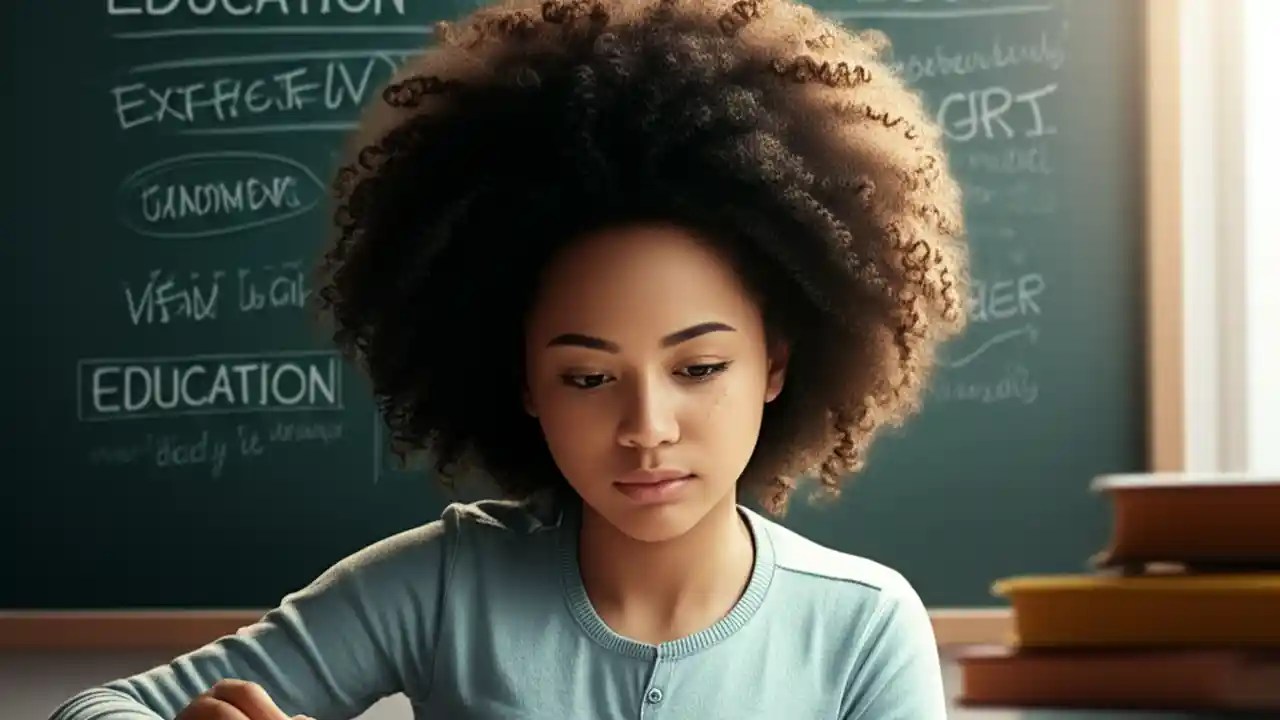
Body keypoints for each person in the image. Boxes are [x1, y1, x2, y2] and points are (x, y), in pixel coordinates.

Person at [49, 0, 967, 718]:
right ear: (521, 382)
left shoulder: (861, 624)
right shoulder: (442, 585)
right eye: (587, 376)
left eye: (698, 368)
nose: (646, 429)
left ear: (777, 363)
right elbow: (97, 707)